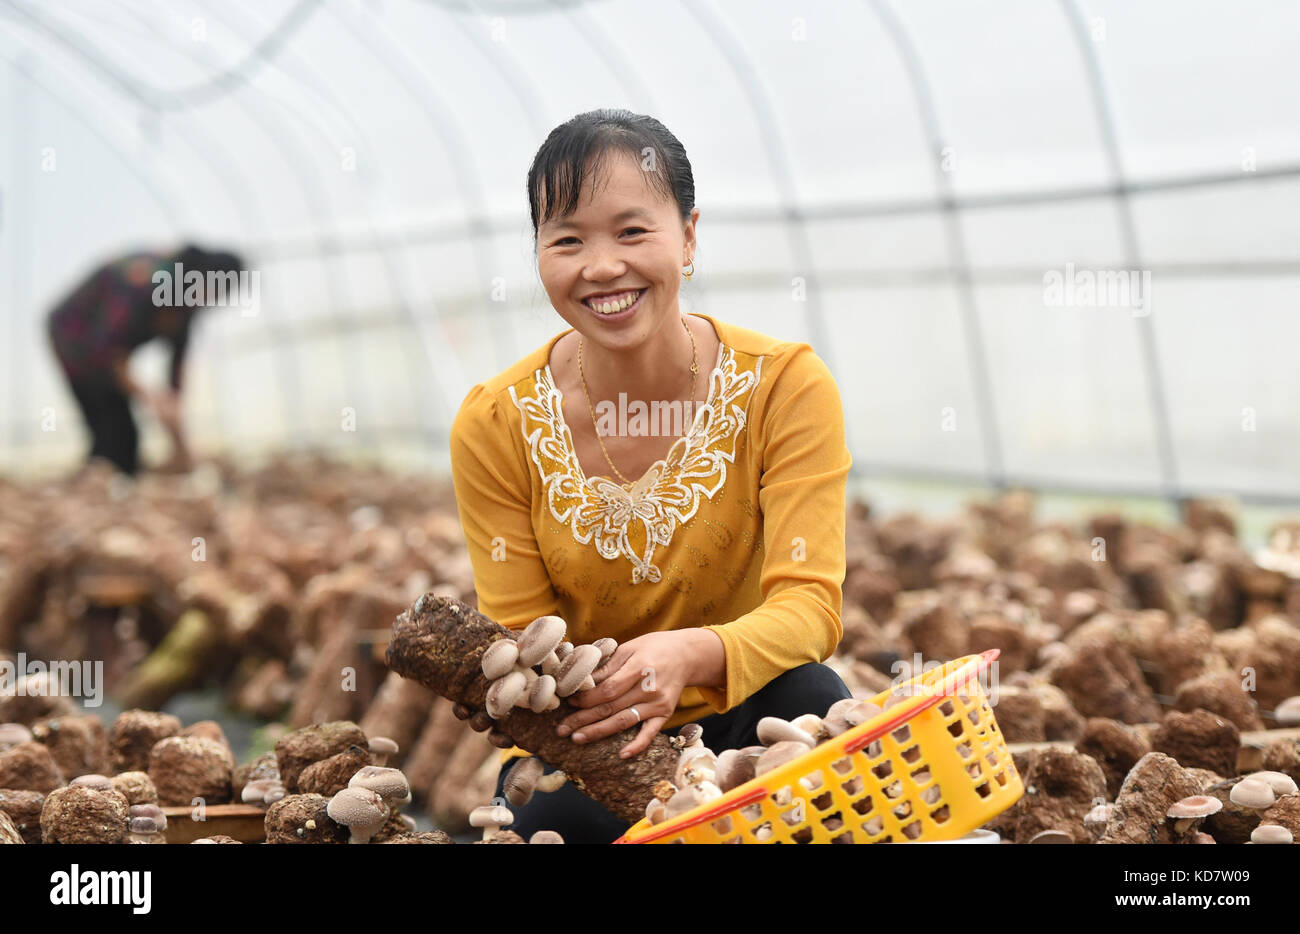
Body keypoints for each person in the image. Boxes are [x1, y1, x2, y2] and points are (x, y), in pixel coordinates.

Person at [448, 109, 854, 843]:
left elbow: (810, 609)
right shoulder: (495, 425)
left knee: (816, 707)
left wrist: (688, 653)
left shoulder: (783, 387)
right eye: (567, 240)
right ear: (538, 252)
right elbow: (522, 639)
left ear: (689, 235)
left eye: (633, 232)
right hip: (596, 737)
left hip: (752, 704)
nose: (601, 267)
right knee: (552, 822)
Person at [46, 244, 245, 476]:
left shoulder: (186, 305)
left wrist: (178, 436)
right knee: (110, 426)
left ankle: (113, 474)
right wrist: (149, 396)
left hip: (107, 349)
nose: (210, 299)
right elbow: (109, 352)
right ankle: (98, 479)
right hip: (73, 336)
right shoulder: (141, 282)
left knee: (123, 435)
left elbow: (176, 372)